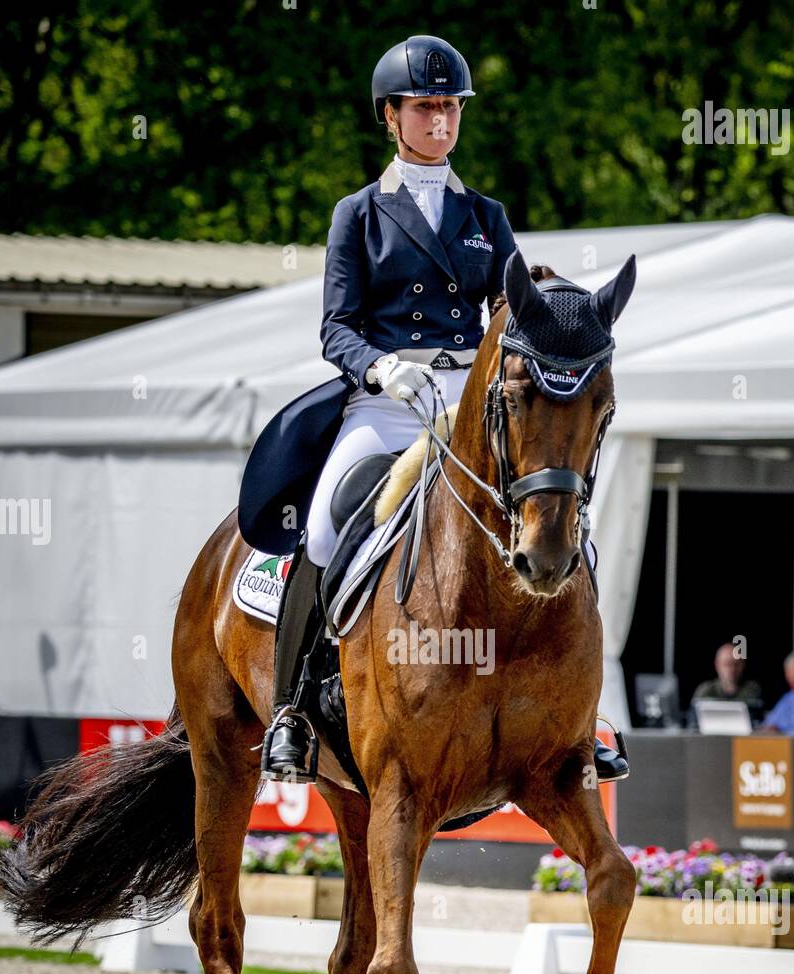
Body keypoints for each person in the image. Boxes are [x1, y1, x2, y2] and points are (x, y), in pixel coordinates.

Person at [257, 34, 629, 784]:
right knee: (327, 524)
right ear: (390, 116)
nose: (441, 121)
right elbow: (336, 327)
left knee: (567, 534)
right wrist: (385, 368)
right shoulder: (357, 215)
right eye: (426, 108)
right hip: (388, 405)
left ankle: (585, 714)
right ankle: (294, 709)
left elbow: (511, 311)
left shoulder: (485, 216)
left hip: (475, 409)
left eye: (451, 107)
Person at [691, 643, 763, 709]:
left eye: (736, 664)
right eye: (726, 664)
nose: (732, 669)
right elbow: (693, 718)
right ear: (717, 665)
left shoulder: (752, 690)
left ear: (743, 665)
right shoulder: (705, 691)